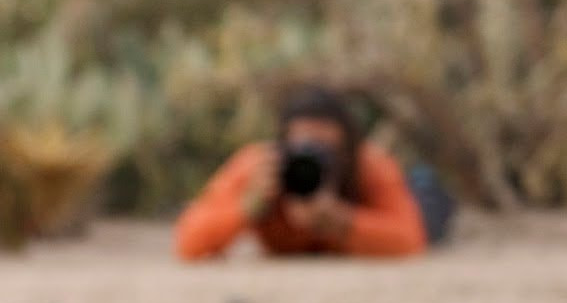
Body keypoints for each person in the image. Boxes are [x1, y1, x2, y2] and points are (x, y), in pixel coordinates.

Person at [174, 85, 428, 260]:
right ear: (282, 147)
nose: (311, 161)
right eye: (303, 150)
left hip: (409, 202)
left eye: (326, 152)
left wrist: (342, 219)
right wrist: (249, 206)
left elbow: (410, 240)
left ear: (347, 152)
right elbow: (188, 242)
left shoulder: (368, 165)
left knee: (428, 197)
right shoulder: (262, 168)